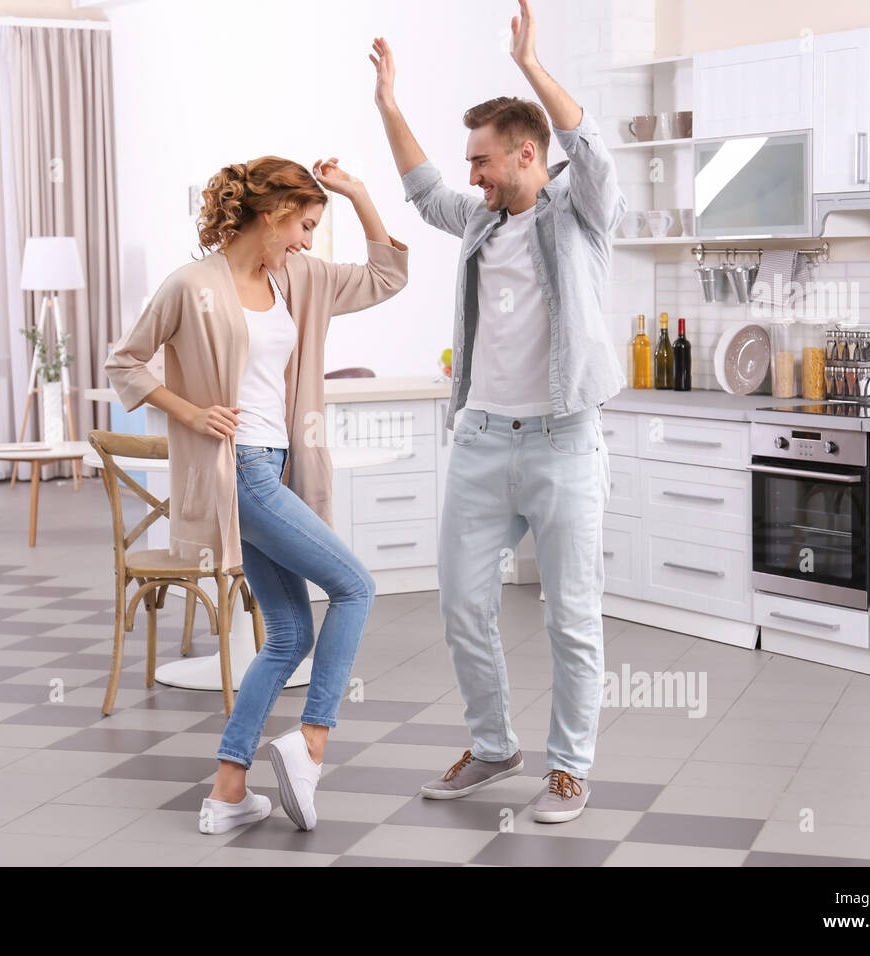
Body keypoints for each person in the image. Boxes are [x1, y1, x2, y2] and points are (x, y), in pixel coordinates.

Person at [370, 0, 625, 823]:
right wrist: (388, 106)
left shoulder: (583, 213)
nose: (471, 174)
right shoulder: (481, 220)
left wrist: (528, 66)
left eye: (482, 160)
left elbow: (589, 145)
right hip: (481, 440)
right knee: (461, 604)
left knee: (572, 616)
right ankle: (493, 746)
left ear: (525, 154)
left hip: (564, 442)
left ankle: (569, 769)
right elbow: (422, 191)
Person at [105, 156, 409, 834]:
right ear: (271, 214)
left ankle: (227, 793)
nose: (307, 241)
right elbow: (124, 360)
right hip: (238, 469)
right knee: (357, 586)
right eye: (303, 224)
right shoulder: (191, 286)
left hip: (279, 462)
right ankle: (312, 744)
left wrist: (357, 193)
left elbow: (388, 274)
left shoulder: (297, 277)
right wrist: (190, 413)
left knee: (291, 632)